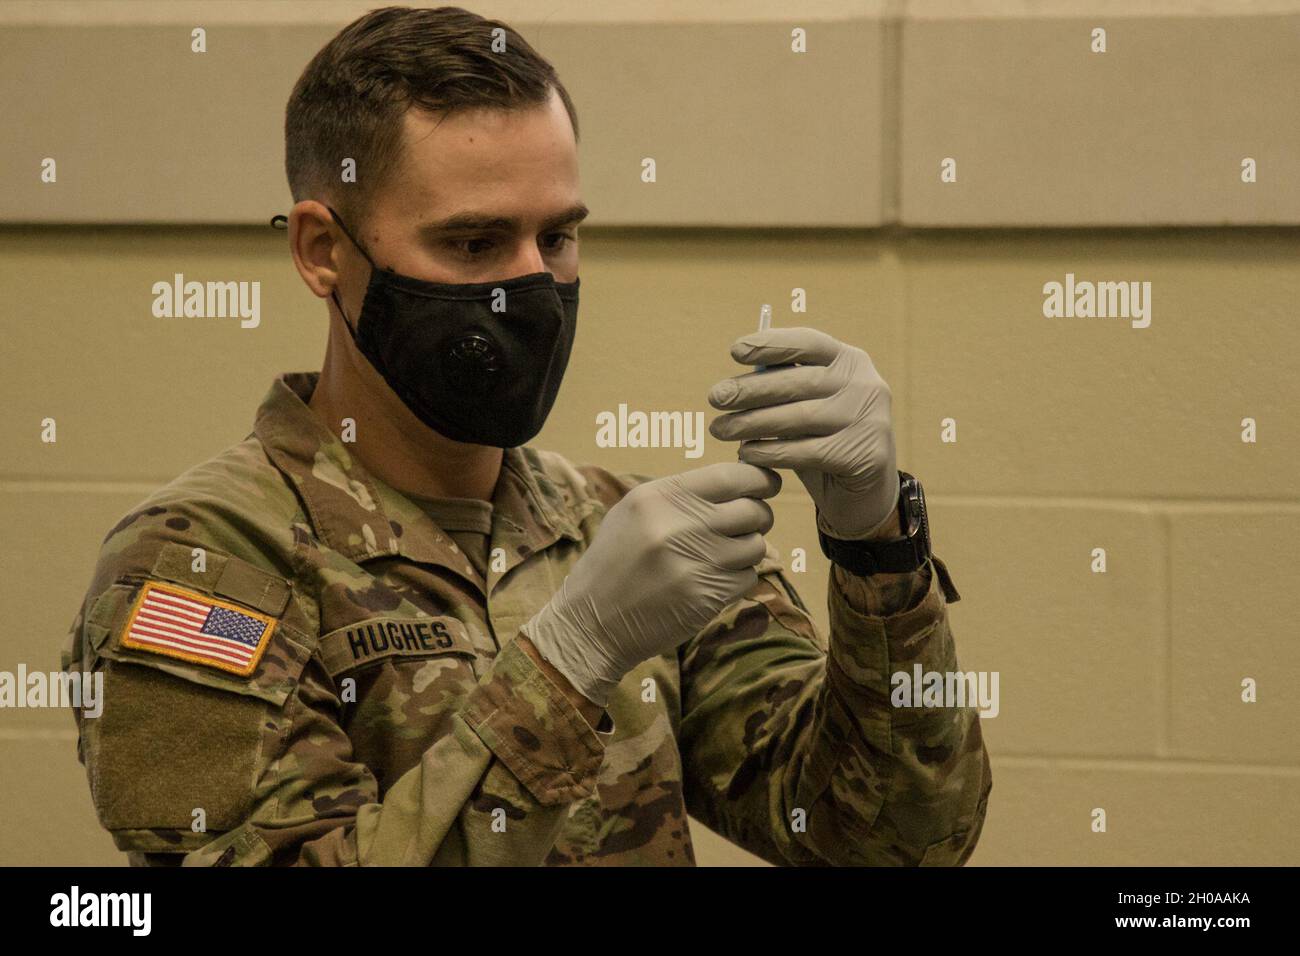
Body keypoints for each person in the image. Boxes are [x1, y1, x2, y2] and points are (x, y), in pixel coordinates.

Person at [63, 5, 991, 866]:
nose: (532, 286)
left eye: (558, 238)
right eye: (473, 244)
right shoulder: (201, 567)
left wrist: (877, 547)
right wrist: (571, 659)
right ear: (323, 250)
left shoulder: (618, 529)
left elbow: (891, 838)